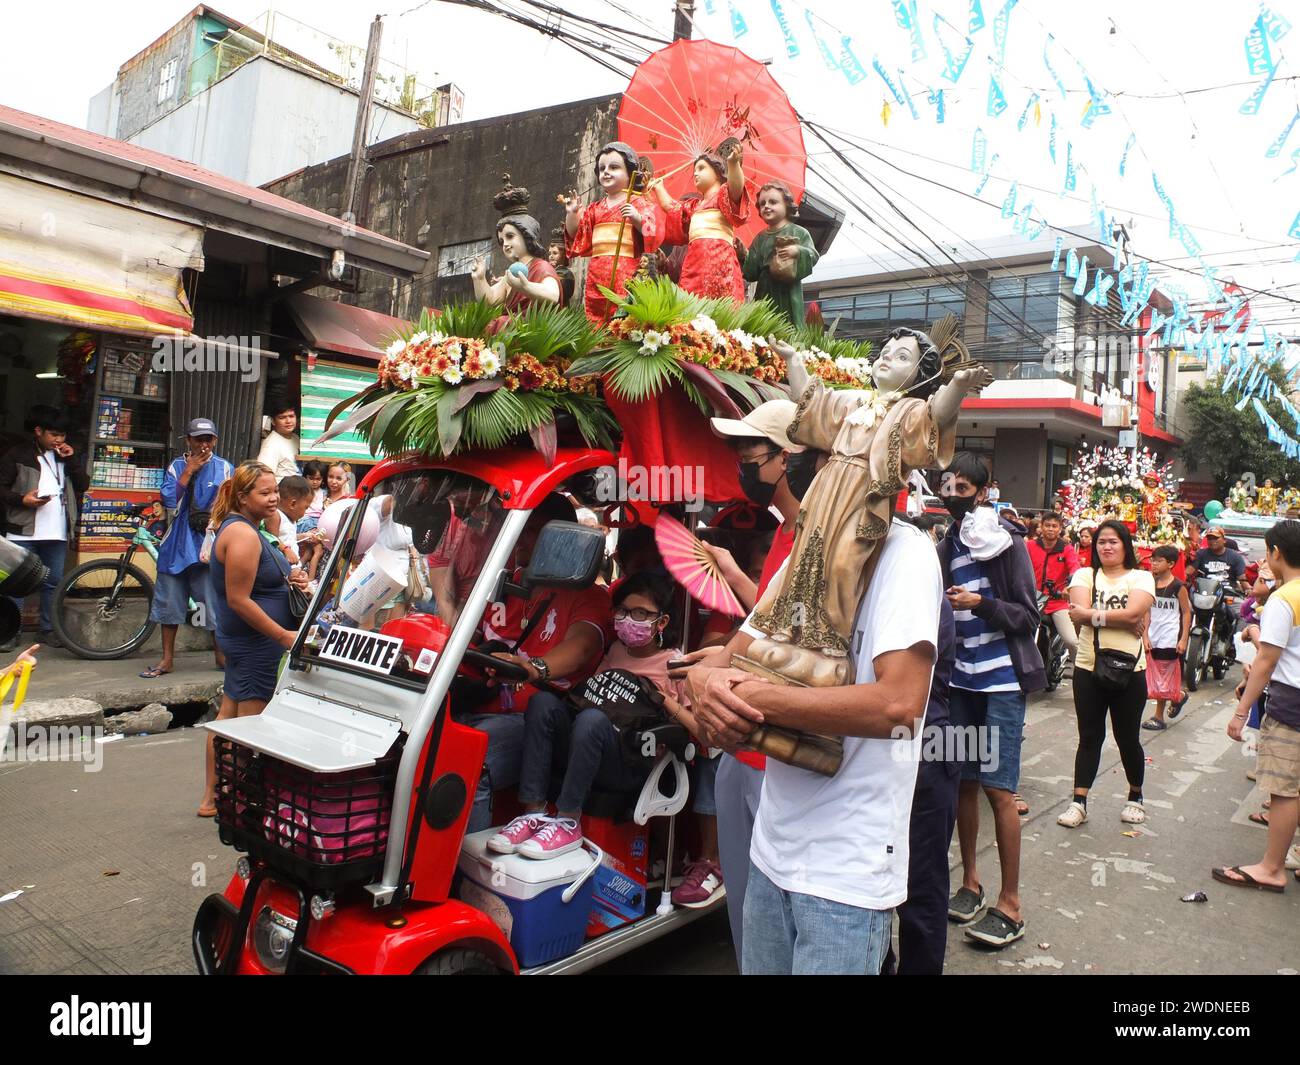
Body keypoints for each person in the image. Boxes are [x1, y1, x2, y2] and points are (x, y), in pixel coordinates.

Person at [685, 516, 941, 975]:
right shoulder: (804, 550)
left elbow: (900, 705)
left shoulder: (904, 551)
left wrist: (751, 697)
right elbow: (727, 659)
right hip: (771, 847)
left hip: (846, 870)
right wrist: (706, 687)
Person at [670, 399, 813, 964]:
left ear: (789, 459)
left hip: (777, 750)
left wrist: (730, 662)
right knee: (750, 915)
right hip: (746, 744)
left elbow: (803, 641)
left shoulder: (817, 538)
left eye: (751, 456)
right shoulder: (785, 535)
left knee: (776, 914)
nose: (743, 468)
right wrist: (724, 654)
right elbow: (769, 625)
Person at [489, 575, 705, 861]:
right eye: (623, 611)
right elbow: (588, 694)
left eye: (640, 614)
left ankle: (567, 821)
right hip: (589, 744)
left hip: (630, 759)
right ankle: (532, 814)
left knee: (592, 720)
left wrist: (660, 698)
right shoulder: (615, 650)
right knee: (543, 703)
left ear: (661, 622)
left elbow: (700, 733)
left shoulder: (676, 664)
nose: (630, 619)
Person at [938, 452, 1045, 950]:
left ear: (983, 492)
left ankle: (1011, 904)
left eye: (963, 487)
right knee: (962, 782)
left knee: (1000, 791)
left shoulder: (1006, 544)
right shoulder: (947, 545)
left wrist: (980, 604)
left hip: (1000, 684)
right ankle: (970, 882)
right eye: (948, 485)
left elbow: (1028, 617)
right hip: (960, 684)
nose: (952, 493)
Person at [461, 495, 613, 833]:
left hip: (531, 721)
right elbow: (466, 636)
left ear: (558, 536)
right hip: (476, 701)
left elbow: (582, 646)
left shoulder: (589, 596)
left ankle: (463, 870)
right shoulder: (504, 584)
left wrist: (533, 669)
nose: (520, 540)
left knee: (468, 762)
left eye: (531, 532)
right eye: (518, 530)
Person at [198, 461, 309, 816]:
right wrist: (283, 635)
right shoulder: (243, 534)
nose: (275, 497)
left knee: (229, 717)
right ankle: (239, 798)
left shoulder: (247, 529)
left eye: (275, 490)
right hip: (255, 643)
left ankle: (214, 797)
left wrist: (290, 580)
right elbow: (238, 599)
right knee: (249, 728)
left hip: (248, 642)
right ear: (243, 497)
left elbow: (258, 583)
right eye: (265, 492)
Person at [1212, 519, 1300, 892]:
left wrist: (1240, 710)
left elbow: (1265, 659)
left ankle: (1271, 867)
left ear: (1276, 552)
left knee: (1284, 790)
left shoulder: (1285, 598)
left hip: (1292, 703)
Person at [1058, 519, 1155, 830]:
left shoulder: (1142, 577)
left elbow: (1133, 614)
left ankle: (1135, 797)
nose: (1107, 546)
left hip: (1131, 671)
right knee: (1089, 737)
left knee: (1128, 738)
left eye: (1113, 541)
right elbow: (1078, 614)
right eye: (1101, 541)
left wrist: (1094, 616)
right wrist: (1122, 619)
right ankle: (1079, 802)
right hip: (1088, 667)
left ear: (1125, 545)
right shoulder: (1085, 574)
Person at [885, 594, 958, 976]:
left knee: (921, 887)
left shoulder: (923, 595)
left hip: (925, 748)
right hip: (878, 750)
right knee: (874, 881)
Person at [141, 418, 233, 679]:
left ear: (214, 441)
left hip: (207, 544)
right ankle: (167, 659)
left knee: (211, 604)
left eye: (208, 439)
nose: (203, 444)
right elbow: (170, 500)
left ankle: (220, 655)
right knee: (170, 604)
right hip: (176, 545)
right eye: (198, 439)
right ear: (189, 441)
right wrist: (188, 471)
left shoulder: (225, 468)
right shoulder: (176, 466)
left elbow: (232, 503)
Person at [0, 406, 89, 650]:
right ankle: (10, 631)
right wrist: (22, 500)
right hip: (21, 529)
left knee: (54, 582)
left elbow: (83, 484)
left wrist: (72, 460)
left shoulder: (65, 455)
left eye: (62, 435)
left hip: (56, 531)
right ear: (38, 431)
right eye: (54, 435)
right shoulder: (16, 454)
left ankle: (48, 629)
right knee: (15, 583)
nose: (59, 440)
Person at [563, 141, 662, 322]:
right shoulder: (595, 208)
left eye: (614, 167)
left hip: (626, 274)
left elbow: (653, 233)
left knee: (623, 322)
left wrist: (637, 219)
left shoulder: (639, 202)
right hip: (596, 277)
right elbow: (576, 236)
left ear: (630, 173)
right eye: (602, 168)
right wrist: (572, 214)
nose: (606, 172)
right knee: (595, 324)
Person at [648, 145, 750, 301]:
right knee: (692, 304)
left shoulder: (724, 195)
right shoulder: (693, 206)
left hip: (720, 260)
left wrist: (733, 165)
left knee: (722, 308)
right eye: (695, 170)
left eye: (702, 168)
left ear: (718, 171)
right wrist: (659, 187)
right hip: (694, 263)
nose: (696, 173)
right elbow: (672, 207)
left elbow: (736, 188)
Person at [742, 181, 818, 325]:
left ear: (786, 205)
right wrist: (742, 254)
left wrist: (797, 251)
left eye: (773, 202)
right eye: (762, 203)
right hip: (764, 292)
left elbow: (813, 255)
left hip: (788, 293)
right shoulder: (760, 238)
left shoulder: (798, 232)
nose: (767, 206)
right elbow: (751, 273)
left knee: (788, 327)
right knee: (762, 331)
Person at [472, 213, 562, 314]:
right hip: (511, 326)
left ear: (527, 236)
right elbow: (490, 299)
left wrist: (525, 287)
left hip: (531, 327)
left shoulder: (541, 267)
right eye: (502, 241)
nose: (505, 244)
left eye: (510, 236)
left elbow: (553, 295)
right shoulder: (510, 274)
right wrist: (479, 279)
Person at [1143, 545, 1191, 730]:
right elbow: (1147, 610)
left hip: (1169, 637)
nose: (1154, 564)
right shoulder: (1150, 585)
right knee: (1152, 675)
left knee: (1163, 675)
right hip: (1152, 635)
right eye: (1152, 560)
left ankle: (1158, 716)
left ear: (1170, 563)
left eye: (1158, 560)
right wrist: (1145, 635)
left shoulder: (1178, 587)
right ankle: (1178, 696)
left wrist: (1183, 638)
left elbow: (1186, 613)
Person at [1025, 511, 1080, 660]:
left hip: (1057, 602)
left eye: (1054, 526)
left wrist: (1069, 586)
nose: (1050, 529)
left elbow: (1075, 568)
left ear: (1060, 528)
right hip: (1032, 600)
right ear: (1040, 527)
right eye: (1047, 525)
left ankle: (1082, 672)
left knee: (1072, 641)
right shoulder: (1029, 546)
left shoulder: (1067, 549)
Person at [301, 462, 352, 580]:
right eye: (330, 477)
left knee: (324, 583)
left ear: (347, 479)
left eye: (339, 478)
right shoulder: (321, 494)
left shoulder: (348, 500)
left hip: (331, 549)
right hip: (309, 540)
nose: (333, 481)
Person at [268, 475, 314, 566]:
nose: (305, 512)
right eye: (306, 508)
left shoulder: (291, 519)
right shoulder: (276, 515)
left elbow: (287, 536)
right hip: (282, 565)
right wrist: (286, 549)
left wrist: (304, 536)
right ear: (293, 504)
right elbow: (272, 539)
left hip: (292, 565)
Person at [1188, 525, 1248, 590]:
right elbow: (1189, 571)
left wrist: (1248, 589)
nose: (1212, 541)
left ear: (1224, 540)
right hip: (1205, 591)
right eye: (1209, 539)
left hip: (1228, 593)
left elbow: (1242, 579)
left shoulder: (1235, 557)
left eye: (1215, 538)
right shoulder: (1200, 554)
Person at [256, 396, 300, 481]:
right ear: (273, 421)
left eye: (291, 416)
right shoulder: (271, 444)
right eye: (282, 417)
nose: (288, 421)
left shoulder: (296, 438)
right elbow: (263, 477)